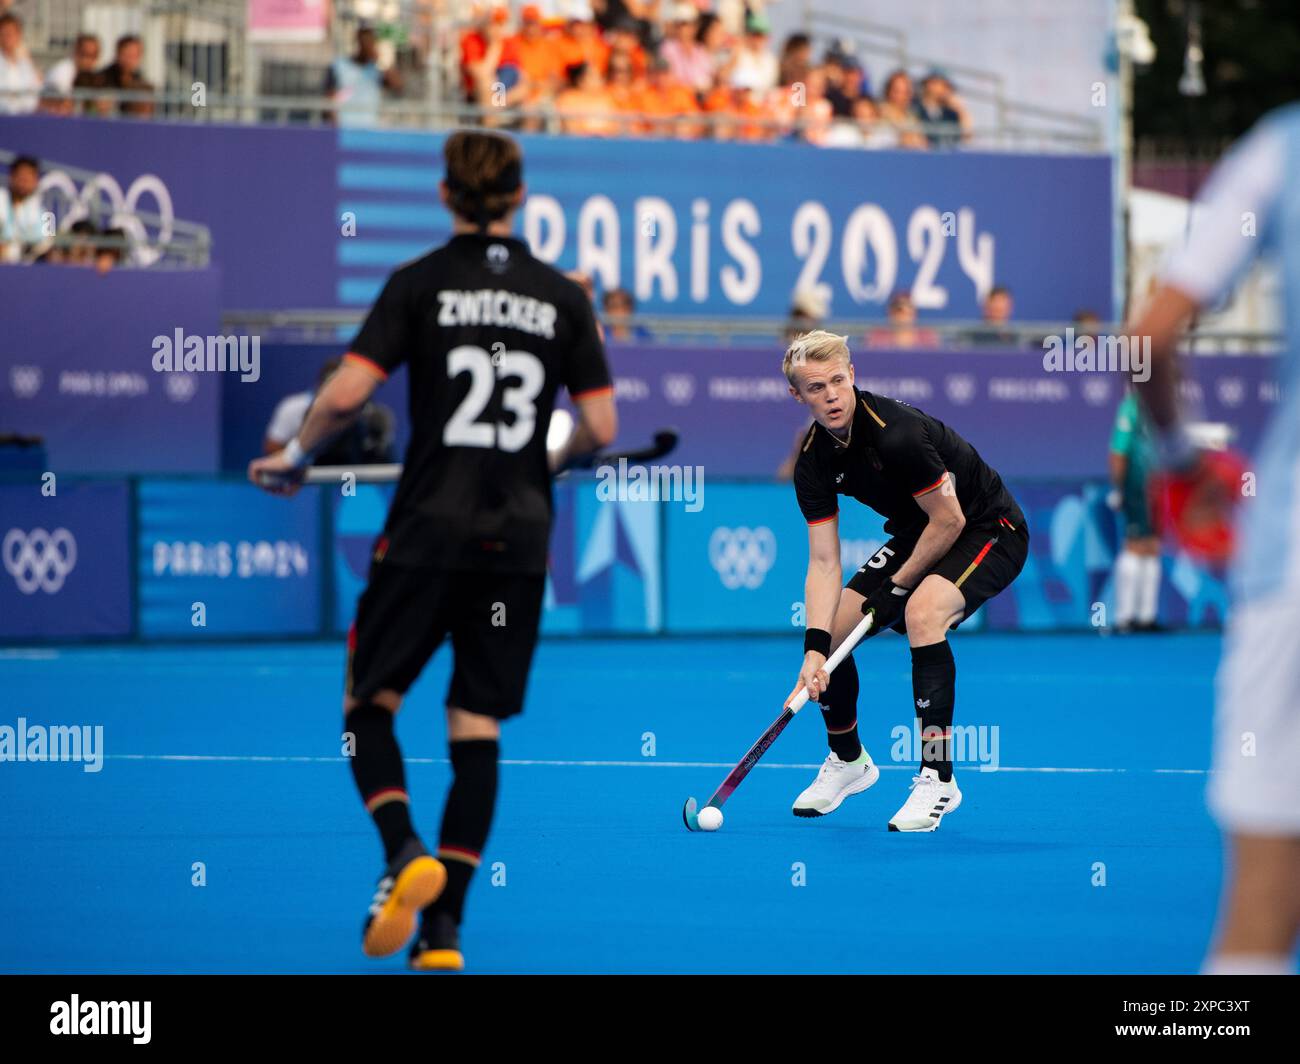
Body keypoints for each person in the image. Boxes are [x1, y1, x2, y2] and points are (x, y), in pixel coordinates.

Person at [248, 130, 617, 971]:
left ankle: (401, 847)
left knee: (367, 704)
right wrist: (546, 458)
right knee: (475, 725)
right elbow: (601, 428)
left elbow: (346, 392)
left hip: (424, 531)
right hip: (517, 539)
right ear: (520, 196)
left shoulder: (418, 283)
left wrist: (295, 458)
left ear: (446, 196)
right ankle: (443, 934)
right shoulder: (562, 296)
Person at [1124, 102, 1300, 975]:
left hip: (1293, 554)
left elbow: (1148, 339)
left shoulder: (1280, 149)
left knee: (1260, 909)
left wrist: (1179, 456)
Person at [782, 330, 1028, 830]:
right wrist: (813, 648)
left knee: (922, 612)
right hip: (924, 529)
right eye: (814, 387)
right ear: (797, 395)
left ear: (852, 375)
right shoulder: (812, 460)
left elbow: (951, 521)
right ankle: (849, 762)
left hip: (987, 526)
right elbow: (825, 562)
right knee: (835, 629)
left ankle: (938, 778)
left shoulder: (897, 432)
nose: (830, 395)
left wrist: (897, 589)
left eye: (836, 381)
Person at [264, 357, 396, 465]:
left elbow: (385, 463)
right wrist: (297, 456)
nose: (341, 397)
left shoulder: (372, 416)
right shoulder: (293, 408)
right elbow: (272, 448)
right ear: (320, 385)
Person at [1107, 387, 1162, 632]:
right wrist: (1120, 488)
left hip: (1158, 486)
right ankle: (1125, 618)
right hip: (1138, 484)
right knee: (1135, 543)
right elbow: (1118, 452)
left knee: (1151, 546)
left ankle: (1146, 617)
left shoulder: (1160, 406)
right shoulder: (1131, 407)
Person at [326, 25, 401, 126]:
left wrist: (381, 61)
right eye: (364, 42)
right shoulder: (339, 65)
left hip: (369, 127)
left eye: (371, 42)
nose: (367, 46)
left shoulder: (376, 69)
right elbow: (330, 97)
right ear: (357, 43)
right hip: (345, 127)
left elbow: (396, 84)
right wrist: (335, 123)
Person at [40, 33, 99, 115]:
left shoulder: (92, 75)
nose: (89, 60)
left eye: (94, 55)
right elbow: (61, 104)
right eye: (85, 54)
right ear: (76, 52)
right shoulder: (61, 72)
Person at [0, 154, 43, 262]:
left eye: (29, 177)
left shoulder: (45, 213)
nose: (24, 182)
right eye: (21, 176)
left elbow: (48, 242)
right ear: (11, 176)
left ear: (36, 181)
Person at [99, 34, 154, 116]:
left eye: (135, 56)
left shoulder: (140, 80)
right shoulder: (102, 78)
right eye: (127, 55)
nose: (130, 60)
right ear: (118, 53)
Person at [0, 13, 40, 114]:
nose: (7, 38)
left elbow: (35, 91)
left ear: (19, 35)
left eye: (11, 33)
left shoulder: (25, 64)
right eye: (4, 33)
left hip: (24, 119)